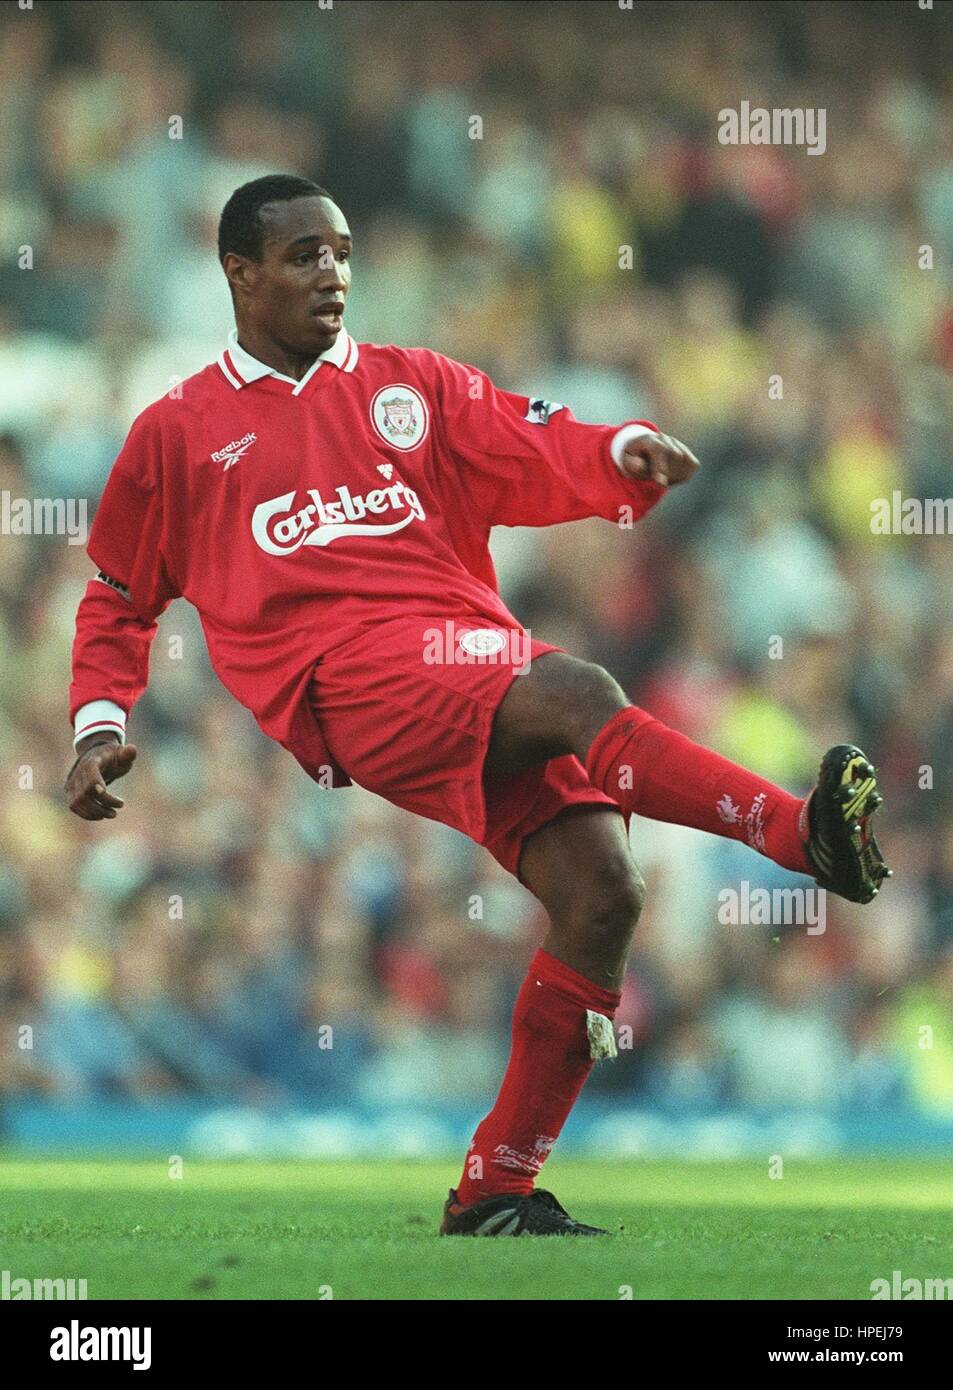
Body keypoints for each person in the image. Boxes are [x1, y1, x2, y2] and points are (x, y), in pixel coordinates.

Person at [66, 175, 890, 1237]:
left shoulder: (414, 385)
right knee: (578, 690)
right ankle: (797, 833)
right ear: (239, 271)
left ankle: (495, 1186)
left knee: (604, 894)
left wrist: (613, 452)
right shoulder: (177, 433)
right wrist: (98, 724)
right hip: (340, 680)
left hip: (463, 662)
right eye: (305, 255)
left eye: (343, 252)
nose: (333, 274)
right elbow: (120, 598)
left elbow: (530, 444)